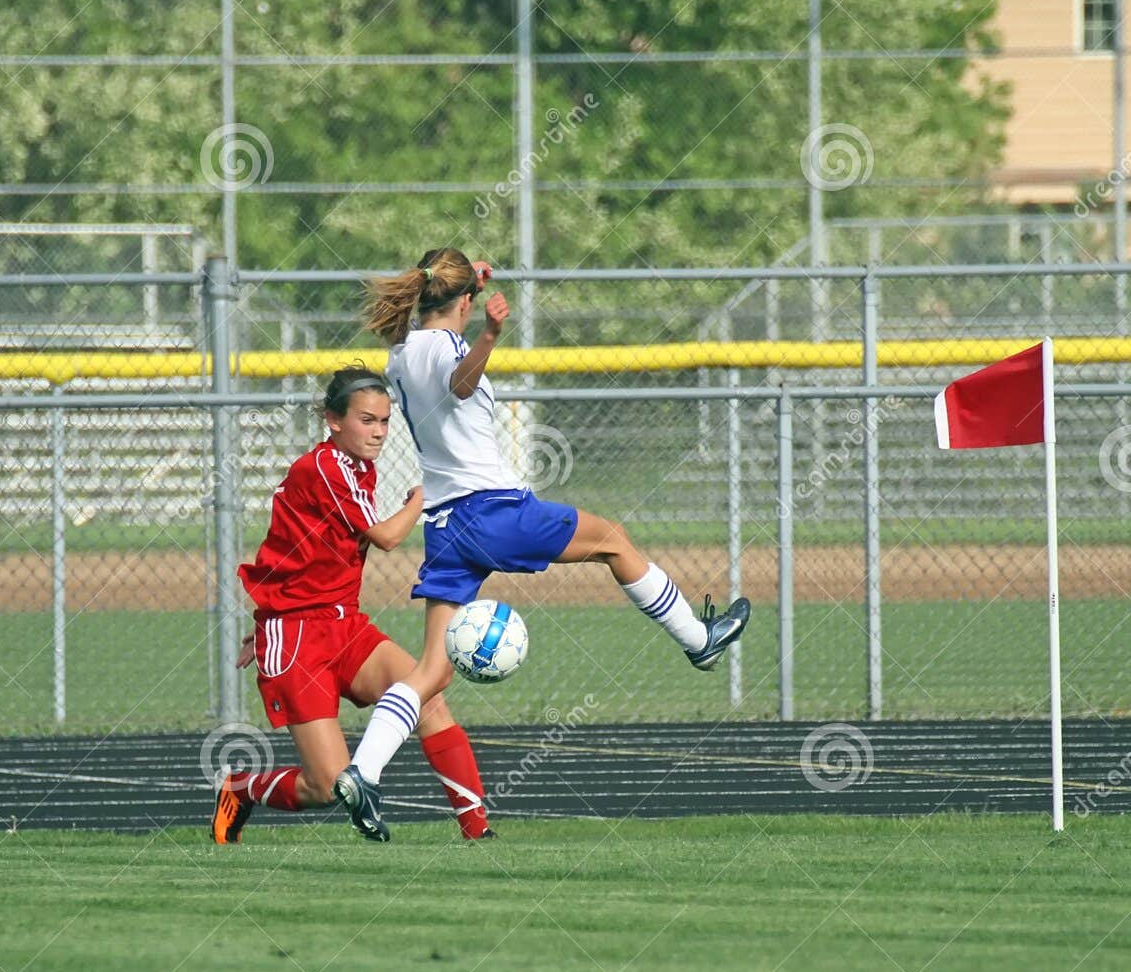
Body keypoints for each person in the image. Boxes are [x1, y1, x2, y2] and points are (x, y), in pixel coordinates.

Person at [332, 246, 751, 841]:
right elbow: (459, 383)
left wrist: (467, 289)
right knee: (614, 541)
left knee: (431, 672)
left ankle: (363, 771)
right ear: (465, 302)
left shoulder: (399, 353)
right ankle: (697, 640)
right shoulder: (451, 347)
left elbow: (439, 348)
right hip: (492, 510)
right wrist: (490, 334)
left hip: (444, 524)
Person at [212, 365, 492, 845]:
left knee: (427, 697)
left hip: (344, 625)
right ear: (333, 420)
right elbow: (386, 537)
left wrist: (271, 613)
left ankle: (476, 830)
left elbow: (295, 550)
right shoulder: (323, 467)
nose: (378, 432)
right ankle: (241, 788)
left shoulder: (358, 467)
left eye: (384, 421)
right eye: (367, 420)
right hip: (299, 638)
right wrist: (421, 500)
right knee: (326, 786)